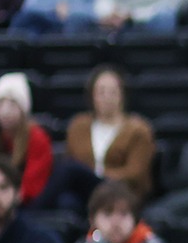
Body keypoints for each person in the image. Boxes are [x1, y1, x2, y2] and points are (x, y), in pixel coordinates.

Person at [65, 65, 156, 201]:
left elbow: (136, 174)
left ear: (122, 95)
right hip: (85, 192)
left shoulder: (138, 130)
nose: (107, 97)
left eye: (113, 92)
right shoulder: (78, 126)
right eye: (101, 92)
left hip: (123, 193)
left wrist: (99, 176)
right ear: (92, 96)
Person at [0, 72, 53, 208]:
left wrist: (9, 197)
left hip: (27, 203)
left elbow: (34, 183)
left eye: (13, 104)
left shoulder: (38, 138)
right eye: (0, 104)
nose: (5, 111)